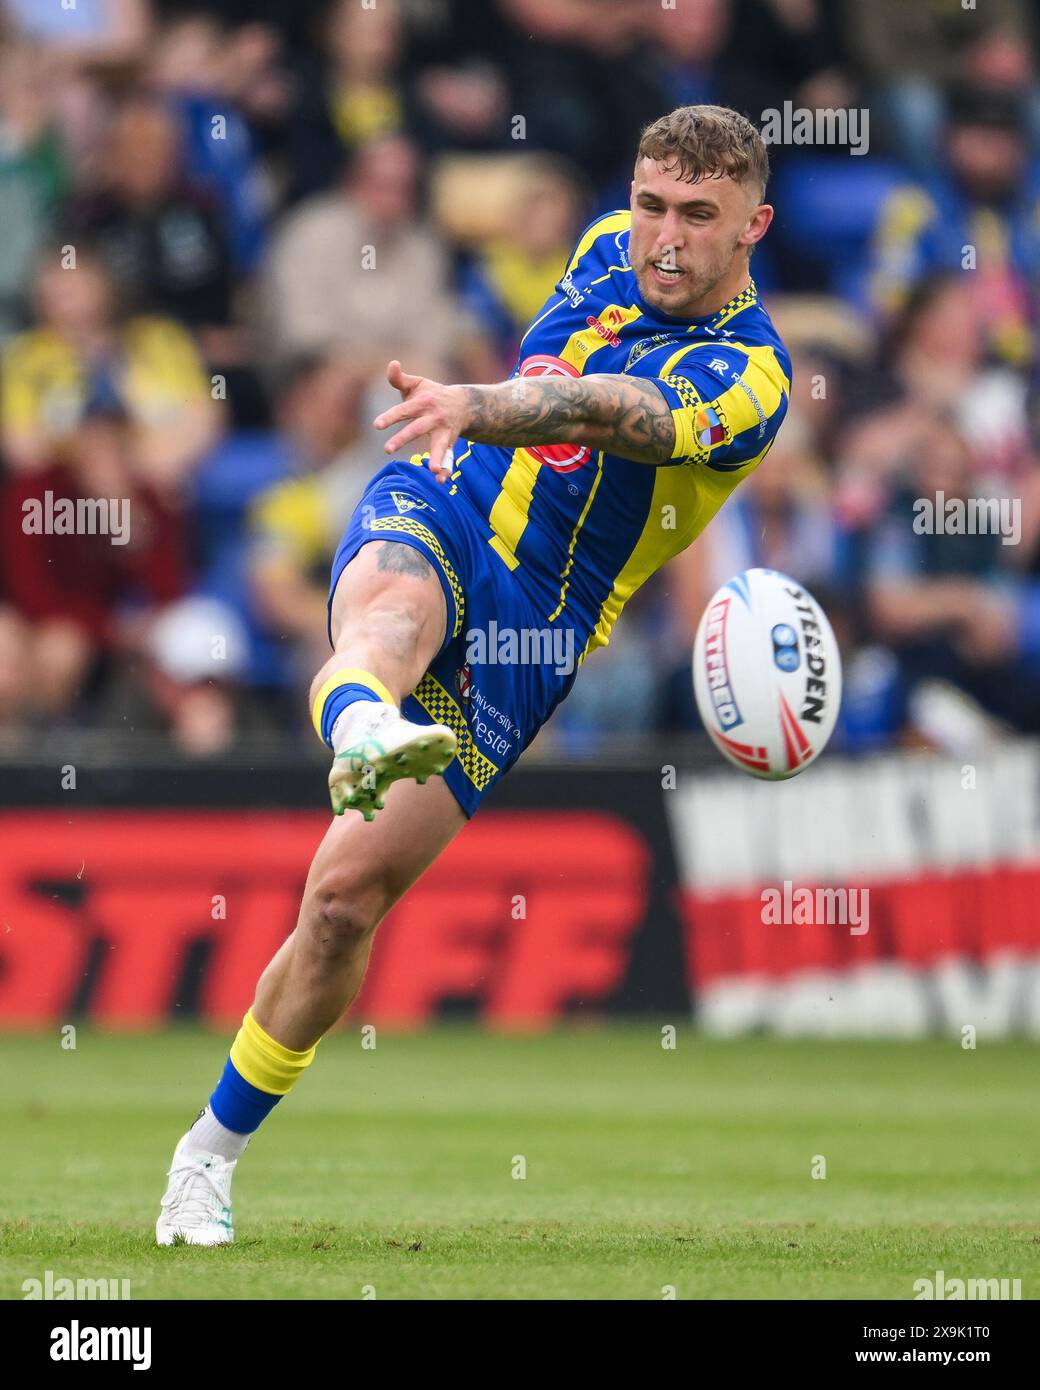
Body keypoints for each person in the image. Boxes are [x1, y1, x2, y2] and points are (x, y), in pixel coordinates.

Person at [155, 104, 792, 1244]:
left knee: (342, 902)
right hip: (450, 499)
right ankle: (362, 724)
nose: (659, 237)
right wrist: (465, 422)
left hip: (536, 632)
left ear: (754, 225)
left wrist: (477, 401)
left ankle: (207, 1150)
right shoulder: (604, 246)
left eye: (698, 216)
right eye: (650, 204)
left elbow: (616, 413)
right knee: (391, 607)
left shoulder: (751, 379)